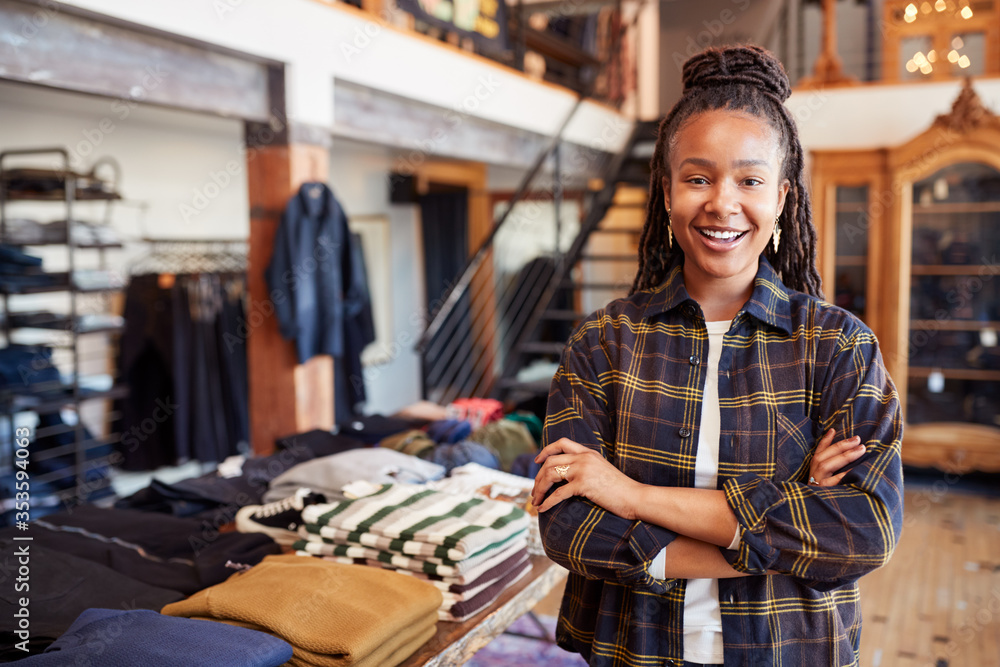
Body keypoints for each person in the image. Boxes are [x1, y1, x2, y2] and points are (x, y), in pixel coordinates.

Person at [530, 45, 903, 667]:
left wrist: (629, 495)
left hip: (791, 650)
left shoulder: (839, 346)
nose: (722, 204)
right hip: (631, 650)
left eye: (749, 180)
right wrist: (789, 510)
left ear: (782, 197)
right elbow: (567, 527)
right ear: (667, 190)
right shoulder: (602, 342)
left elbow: (863, 532)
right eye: (698, 177)